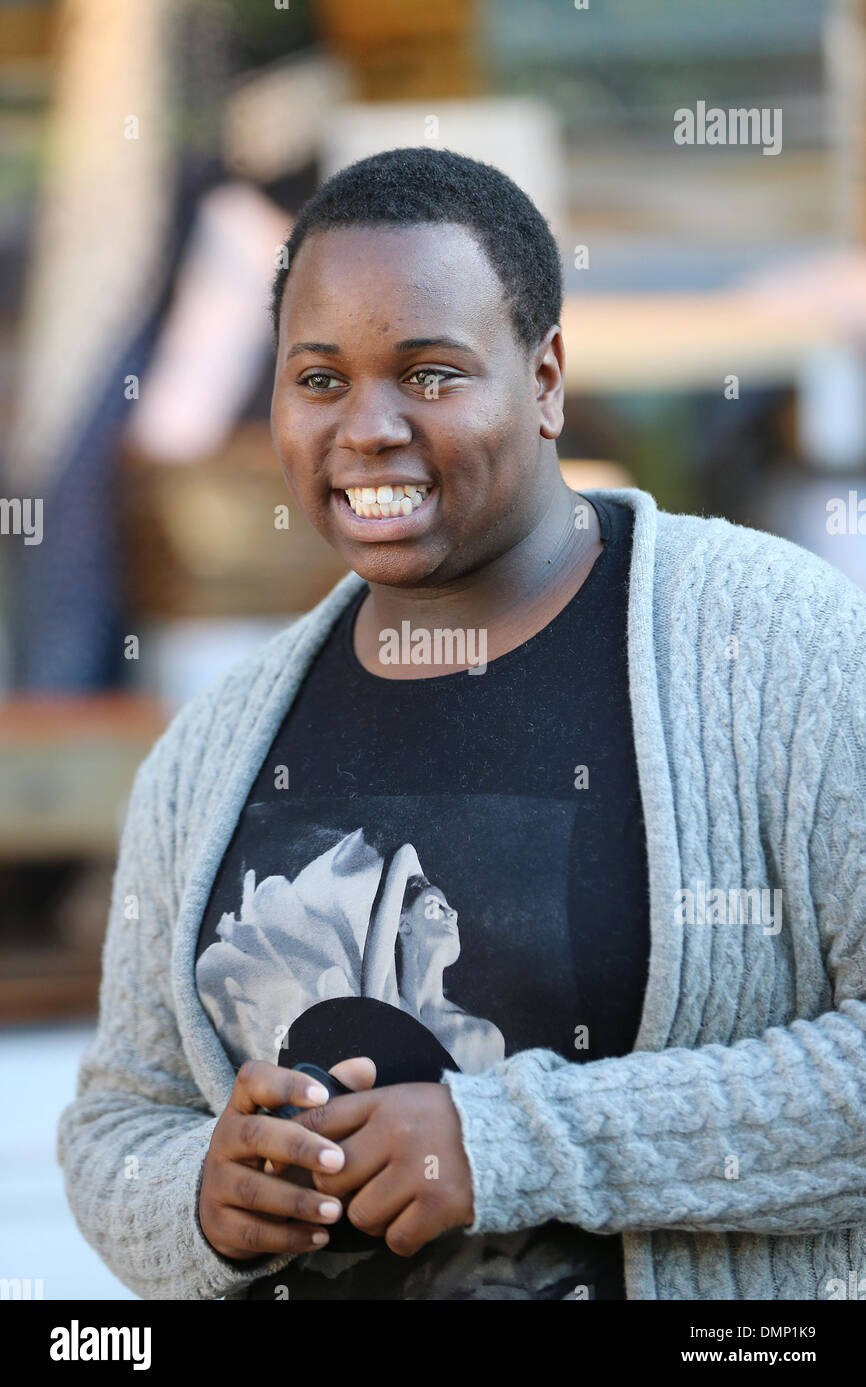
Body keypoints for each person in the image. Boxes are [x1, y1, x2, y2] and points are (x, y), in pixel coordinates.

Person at [58, 147, 866, 1301]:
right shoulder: (217, 741)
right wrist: (201, 1192)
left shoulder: (770, 649)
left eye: (430, 374)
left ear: (543, 382)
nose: (367, 426)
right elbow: (118, 1119)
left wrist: (508, 1142)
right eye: (319, 377)